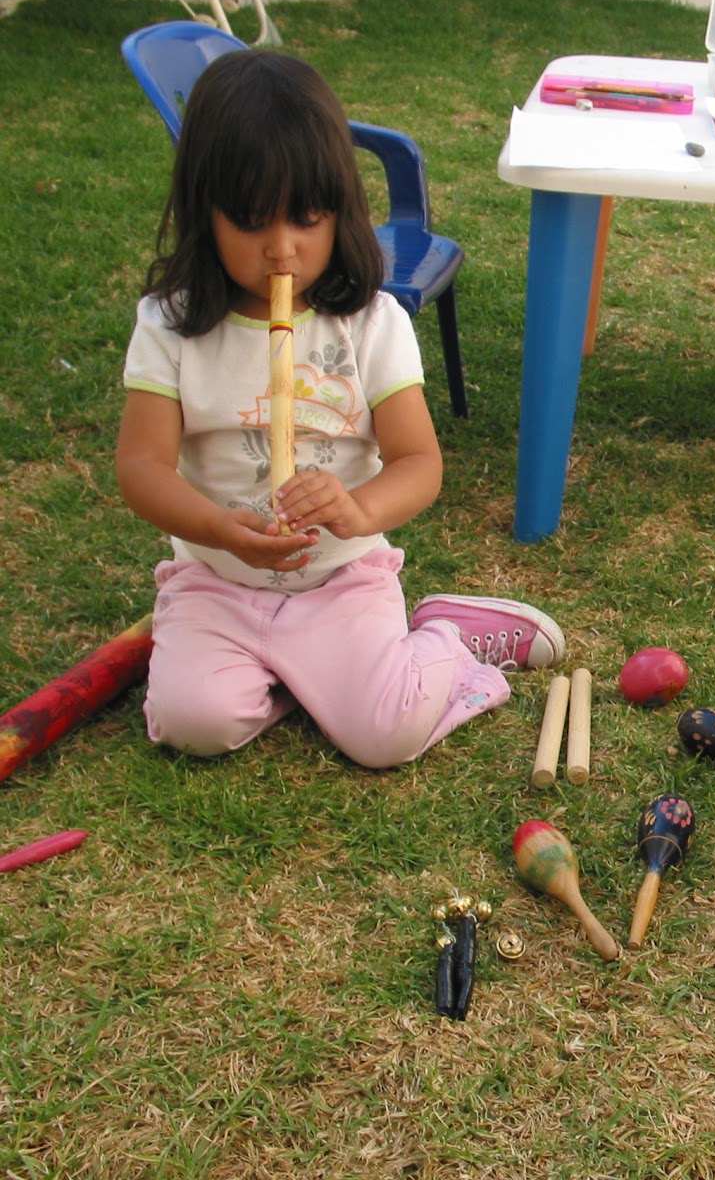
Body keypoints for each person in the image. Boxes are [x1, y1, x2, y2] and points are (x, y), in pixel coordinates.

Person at [117, 49, 563, 768]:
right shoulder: (171, 324)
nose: (283, 249)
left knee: (384, 738)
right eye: (253, 221)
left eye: (308, 218)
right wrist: (214, 527)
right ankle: (309, 673)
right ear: (207, 209)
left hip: (340, 581)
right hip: (218, 580)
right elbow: (140, 465)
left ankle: (443, 637)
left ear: (340, 212)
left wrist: (359, 510)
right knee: (192, 723)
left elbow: (419, 461)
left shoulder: (370, 320)